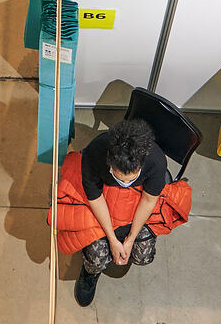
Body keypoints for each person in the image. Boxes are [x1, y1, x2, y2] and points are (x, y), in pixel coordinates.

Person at [73, 119, 167, 307]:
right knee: (98, 257)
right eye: (119, 177)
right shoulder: (94, 153)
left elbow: (149, 200)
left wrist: (131, 238)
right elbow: (95, 198)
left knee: (143, 255)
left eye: (131, 178)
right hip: (104, 200)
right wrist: (113, 240)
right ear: (109, 162)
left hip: (137, 201)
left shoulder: (156, 160)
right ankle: (89, 272)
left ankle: (125, 247)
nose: (125, 182)